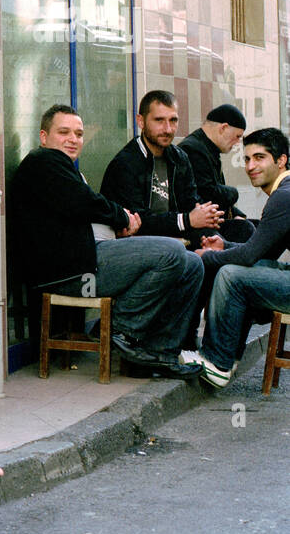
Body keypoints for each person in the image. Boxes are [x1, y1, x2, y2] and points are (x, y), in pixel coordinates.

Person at [8, 103, 203, 376]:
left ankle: (159, 351)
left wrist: (116, 226)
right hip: (71, 273)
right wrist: (122, 217)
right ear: (44, 136)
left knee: (193, 263)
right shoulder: (44, 162)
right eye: (64, 132)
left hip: (91, 260)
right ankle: (120, 330)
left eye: (78, 133)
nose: (73, 139)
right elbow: (85, 202)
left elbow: (77, 209)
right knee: (171, 251)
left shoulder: (65, 169)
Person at [195, 128, 290, 388]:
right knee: (247, 270)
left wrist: (206, 256)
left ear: (281, 160)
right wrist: (224, 245)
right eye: (247, 159)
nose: (250, 166)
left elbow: (248, 256)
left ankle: (217, 362)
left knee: (232, 275)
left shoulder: (284, 196)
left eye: (259, 157)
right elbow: (262, 252)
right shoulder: (284, 192)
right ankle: (229, 357)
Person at [100, 90, 223, 243]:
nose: (168, 129)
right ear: (141, 121)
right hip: (139, 242)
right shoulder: (125, 163)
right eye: (159, 120)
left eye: (173, 120)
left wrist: (208, 216)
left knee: (236, 232)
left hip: (179, 235)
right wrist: (186, 220)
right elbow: (136, 221)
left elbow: (191, 202)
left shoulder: (179, 157)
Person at [178, 103, 255, 243]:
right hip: (197, 227)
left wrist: (237, 214)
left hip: (212, 221)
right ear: (223, 128)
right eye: (237, 136)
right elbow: (209, 193)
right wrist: (234, 193)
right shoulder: (193, 149)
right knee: (246, 230)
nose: (238, 143)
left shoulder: (207, 149)